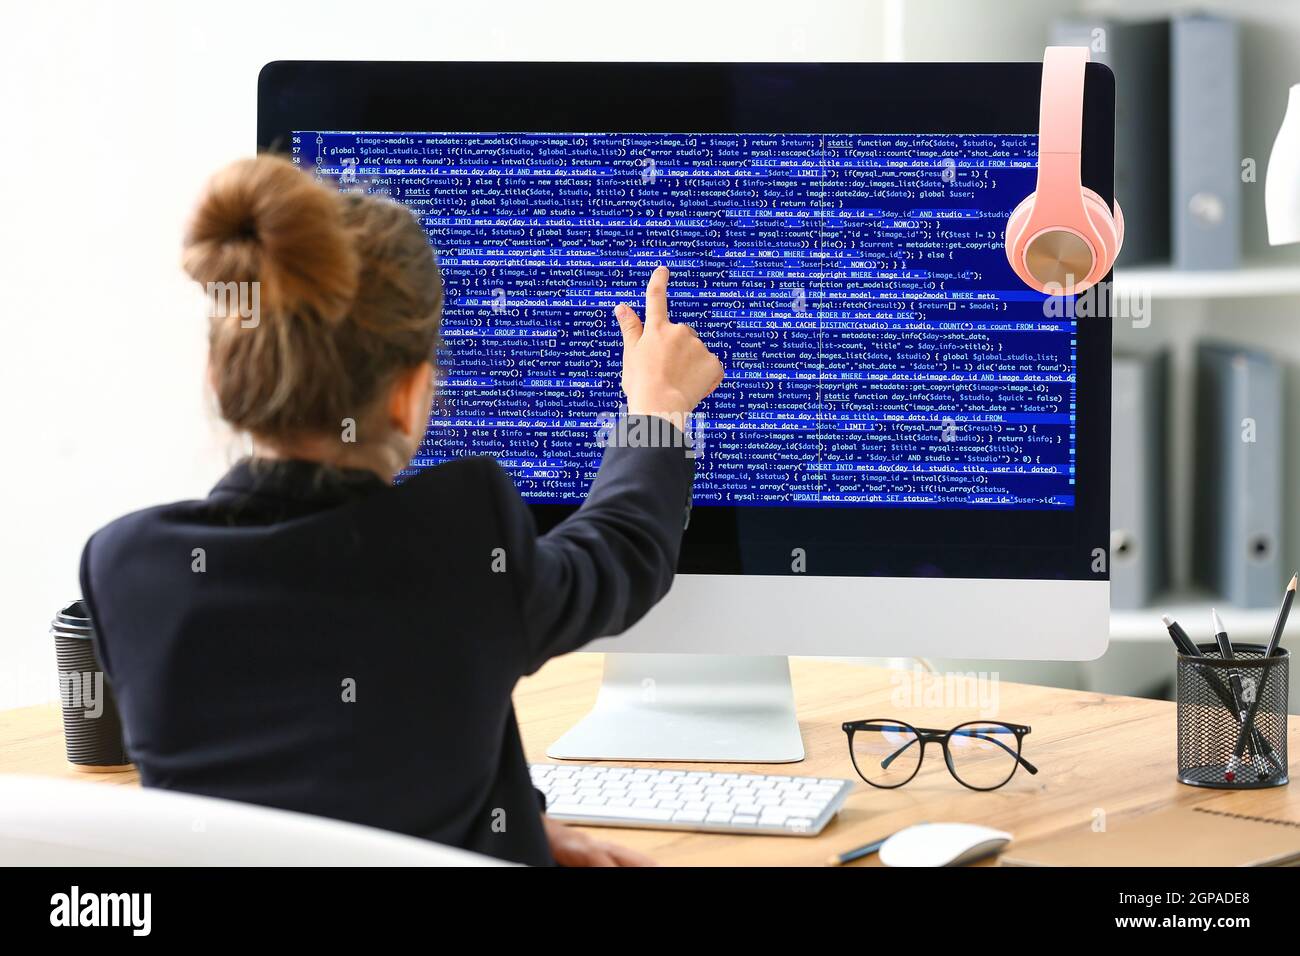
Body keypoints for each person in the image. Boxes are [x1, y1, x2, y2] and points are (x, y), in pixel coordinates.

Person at [78, 155, 723, 866]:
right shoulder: (459, 538)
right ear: (409, 395)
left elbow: (306, 793)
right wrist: (658, 413)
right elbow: (619, 553)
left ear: (221, 374)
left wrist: (496, 830)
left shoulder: (125, 567)